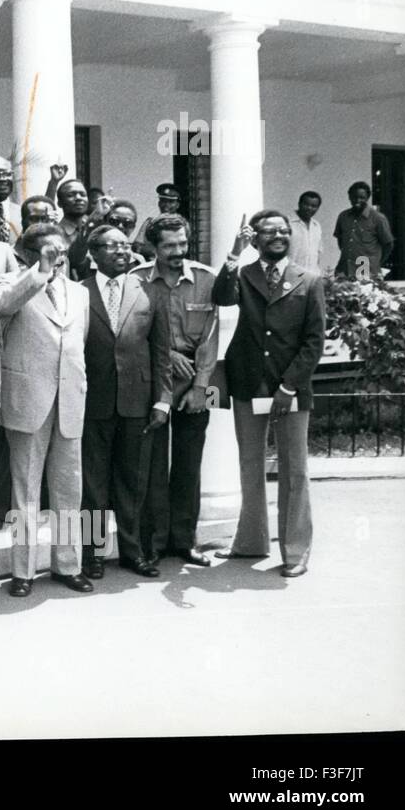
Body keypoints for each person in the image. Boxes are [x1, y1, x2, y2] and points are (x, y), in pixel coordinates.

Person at [214, 211, 326, 578]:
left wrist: (289, 385)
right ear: (255, 238)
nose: (278, 235)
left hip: (291, 387)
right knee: (250, 465)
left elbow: (313, 342)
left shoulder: (308, 280)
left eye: (283, 230)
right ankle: (250, 542)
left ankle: (295, 552)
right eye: (268, 231)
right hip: (248, 382)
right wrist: (233, 253)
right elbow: (221, 297)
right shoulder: (244, 275)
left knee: (295, 470)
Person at [0, 223, 93, 598]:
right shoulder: (12, 283)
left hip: (69, 400)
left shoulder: (80, 293)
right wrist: (41, 272)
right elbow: (4, 307)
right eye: (49, 251)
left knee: (69, 489)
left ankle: (68, 565)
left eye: (62, 250)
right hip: (27, 400)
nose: (58, 257)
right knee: (26, 491)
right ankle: (23, 571)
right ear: (28, 254)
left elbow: (76, 343)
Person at [80, 225, 172, 580]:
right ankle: (93, 554)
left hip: (138, 402)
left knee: (134, 483)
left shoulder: (149, 293)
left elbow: (162, 352)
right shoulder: (79, 293)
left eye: (124, 245)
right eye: (112, 246)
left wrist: (163, 400)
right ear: (94, 253)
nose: (121, 251)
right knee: (93, 484)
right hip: (92, 403)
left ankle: (135, 553)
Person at [134, 214, 218, 567]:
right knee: (151, 463)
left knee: (189, 462)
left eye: (182, 244)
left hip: (194, 377)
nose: (178, 251)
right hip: (151, 379)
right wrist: (165, 354)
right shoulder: (135, 281)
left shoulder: (205, 279)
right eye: (169, 245)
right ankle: (151, 542)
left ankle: (184, 541)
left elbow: (212, 337)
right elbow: (130, 333)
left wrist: (200, 386)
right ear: (153, 247)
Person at [334, 180, 393, 280]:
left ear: (368, 198)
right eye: (354, 197)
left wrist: (375, 262)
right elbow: (341, 241)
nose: (358, 200)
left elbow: (388, 245)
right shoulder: (343, 216)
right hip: (345, 270)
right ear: (349, 197)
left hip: (367, 272)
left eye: (362, 198)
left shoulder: (378, 218)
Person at [136, 184, 184, 262]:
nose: (166, 205)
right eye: (163, 201)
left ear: (177, 205)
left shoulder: (183, 226)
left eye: (171, 202)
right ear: (159, 203)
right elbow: (137, 245)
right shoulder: (149, 223)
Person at [287, 190, 323, 274]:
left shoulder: (316, 226)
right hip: (291, 276)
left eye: (314, 206)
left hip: (312, 277)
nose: (309, 208)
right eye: (306, 204)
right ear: (299, 204)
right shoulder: (287, 222)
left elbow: (318, 253)